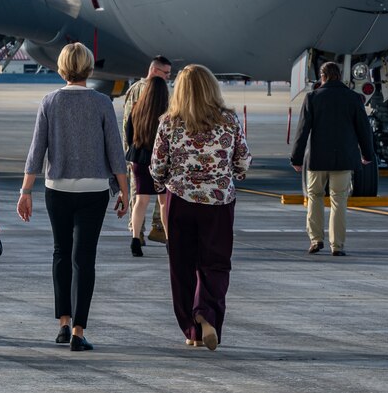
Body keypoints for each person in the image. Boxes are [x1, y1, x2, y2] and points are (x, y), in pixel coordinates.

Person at [18, 43, 129, 352]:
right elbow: (115, 152)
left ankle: (63, 324)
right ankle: (79, 331)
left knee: (61, 254)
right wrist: (125, 190)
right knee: (84, 259)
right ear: (89, 69)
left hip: (57, 189)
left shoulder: (49, 102)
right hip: (94, 190)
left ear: (62, 68)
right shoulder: (102, 102)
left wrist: (26, 191)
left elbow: (36, 151)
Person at [150, 64, 251, 351]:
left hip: (180, 200)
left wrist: (162, 185)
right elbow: (243, 162)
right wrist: (230, 175)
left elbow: (157, 166)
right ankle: (207, 314)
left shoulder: (169, 122)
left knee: (181, 266)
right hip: (218, 202)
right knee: (215, 264)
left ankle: (191, 328)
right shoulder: (229, 121)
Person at [289, 61, 375, 257]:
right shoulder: (354, 98)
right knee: (339, 201)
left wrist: (296, 158)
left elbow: (302, 131)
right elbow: (364, 130)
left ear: (323, 76)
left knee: (315, 198)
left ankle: (315, 240)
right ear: (340, 76)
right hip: (344, 159)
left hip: (318, 160)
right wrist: (368, 154)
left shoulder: (313, 98)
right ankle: (337, 246)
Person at [122, 56, 171, 245]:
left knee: (140, 197)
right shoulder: (157, 92)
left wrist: (129, 153)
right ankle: (159, 229)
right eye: (166, 73)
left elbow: (127, 126)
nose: (168, 77)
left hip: (139, 154)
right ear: (155, 71)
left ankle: (137, 234)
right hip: (157, 155)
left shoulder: (134, 93)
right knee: (162, 199)